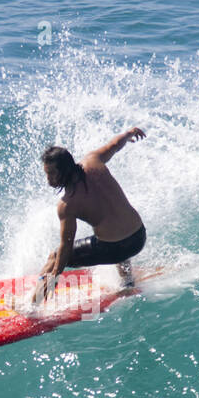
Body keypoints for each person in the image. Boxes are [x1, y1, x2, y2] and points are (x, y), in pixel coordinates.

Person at [34, 127, 147, 302]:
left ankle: (33, 304)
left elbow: (66, 246)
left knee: (54, 256)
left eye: (52, 174)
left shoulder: (67, 204)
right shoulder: (93, 160)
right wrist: (129, 133)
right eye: (46, 173)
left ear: (65, 171)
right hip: (138, 237)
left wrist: (55, 275)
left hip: (113, 249)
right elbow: (115, 144)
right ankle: (128, 281)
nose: (48, 180)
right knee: (113, 232)